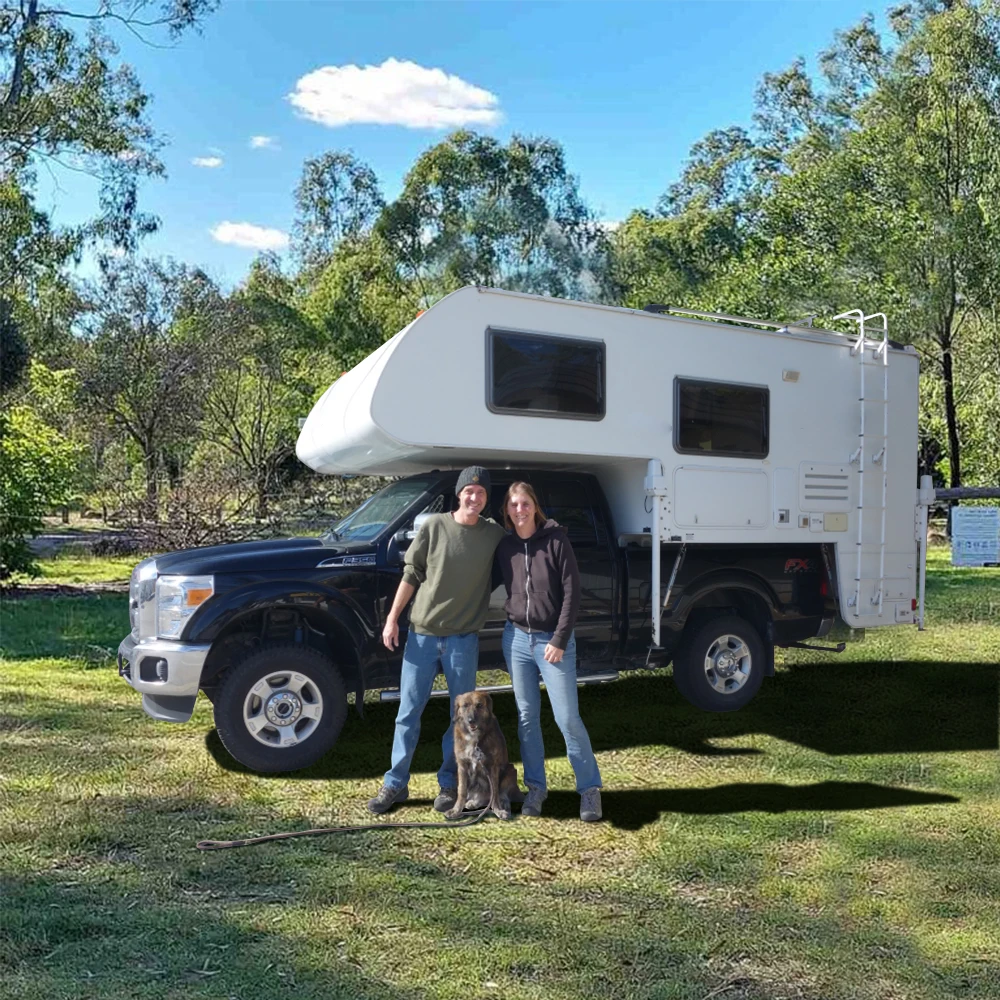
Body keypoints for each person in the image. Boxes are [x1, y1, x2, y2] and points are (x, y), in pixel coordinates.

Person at [367, 466, 505, 814]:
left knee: (461, 719)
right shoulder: (433, 526)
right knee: (408, 712)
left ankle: (448, 785)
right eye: (469, 491)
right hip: (423, 636)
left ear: (488, 499)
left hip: (463, 641)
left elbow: (521, 549)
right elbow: (411, 573)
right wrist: (392, 619)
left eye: (481, 493)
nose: (474, 498)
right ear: (459, 493)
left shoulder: (493, 535)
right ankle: (394, 784)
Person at [496, 481, 603, 822]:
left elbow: (573, 593)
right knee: (527, 719)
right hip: (516, 640)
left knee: (567, 718)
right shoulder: (505, 547)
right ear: (507, 511)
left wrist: (558, 639)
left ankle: (589, 789)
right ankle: (536, 789)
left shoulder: (556, 541)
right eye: (513, 504)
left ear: (535, 506)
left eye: (525, 503)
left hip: (552, 642)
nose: (519, 509)